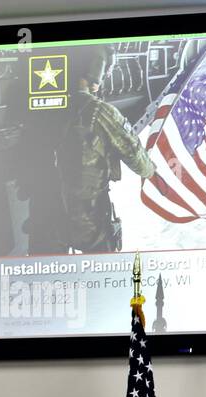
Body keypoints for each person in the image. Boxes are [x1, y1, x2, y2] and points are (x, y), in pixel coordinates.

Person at [58, 46, 156, 252]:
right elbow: (138, 160)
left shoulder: (53, 106)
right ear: (96, 72)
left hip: (51, 211)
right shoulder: (100, 111)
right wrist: (153, 171)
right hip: (88, 218)